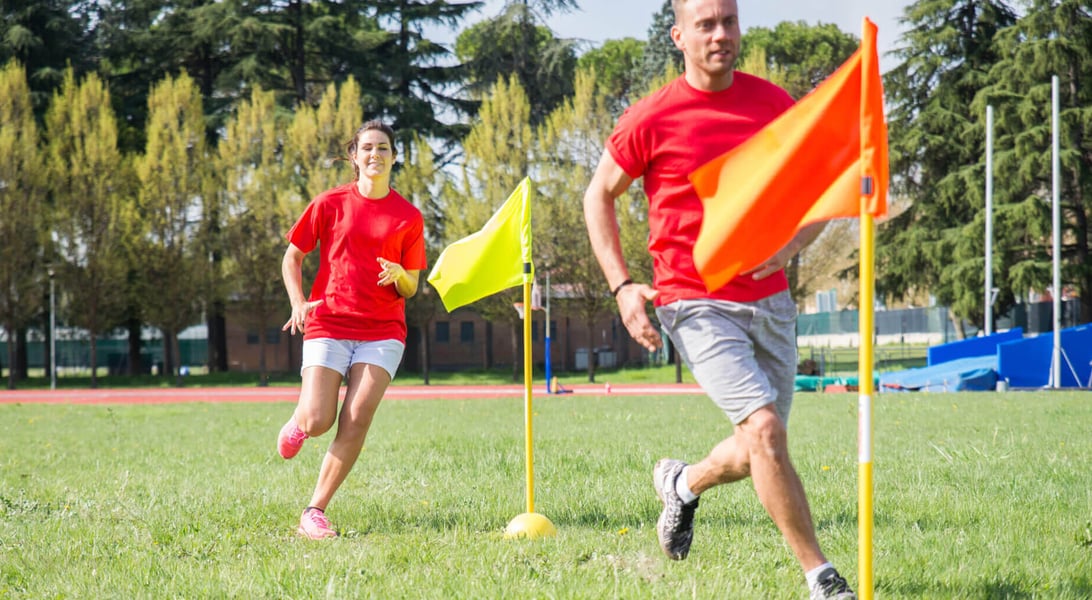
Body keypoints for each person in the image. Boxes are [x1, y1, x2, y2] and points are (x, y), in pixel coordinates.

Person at [581, 1, 855, 598]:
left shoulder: (772, 106)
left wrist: (788, 249)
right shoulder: (651, 118)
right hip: (692, 300)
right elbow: (597, 194)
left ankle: (683, 484)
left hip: (770, 301)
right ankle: (822, 576)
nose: (720, 34)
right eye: (705, 23)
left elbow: (823, 186)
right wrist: (623, 285)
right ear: (678, 35)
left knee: (760, 443)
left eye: (728, 21)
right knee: (764, 430)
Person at [277, 120, 426, 540]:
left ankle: (314, 511)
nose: (375, 155)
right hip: (329, 322)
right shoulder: (329, 203)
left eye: (383, 148)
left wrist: (400, 273)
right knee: (320, 420)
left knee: (357, 416)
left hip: (383, 330)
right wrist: (297, 302)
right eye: (367, 148)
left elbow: (411, 287)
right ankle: (299, 421)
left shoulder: (408, 217)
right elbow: (292, 257)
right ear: (353, 156)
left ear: (395, 157)